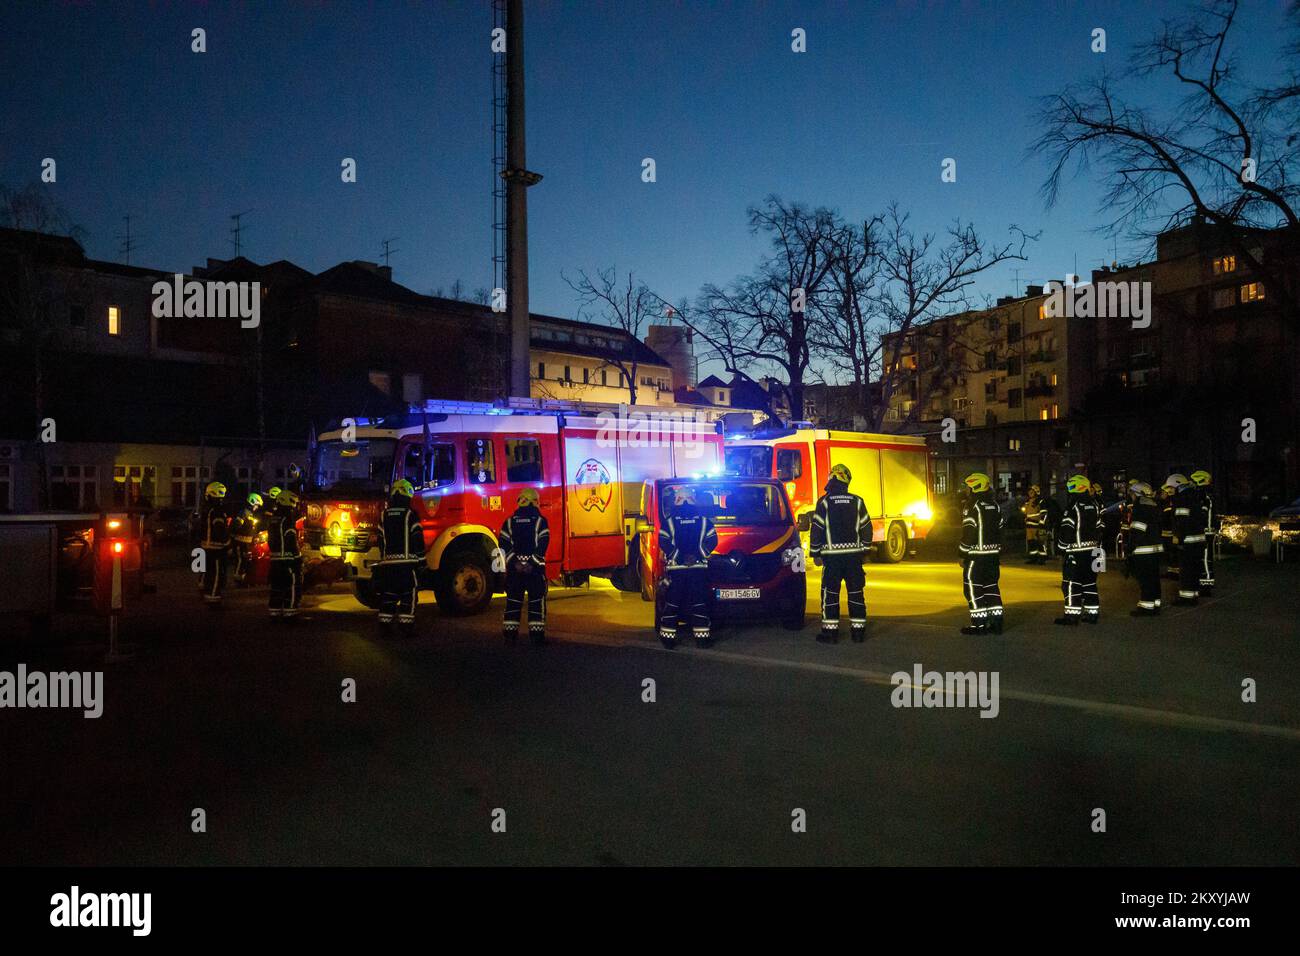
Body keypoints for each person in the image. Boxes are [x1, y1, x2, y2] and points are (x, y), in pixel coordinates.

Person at [809, 463, 873, 643]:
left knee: (830, 594)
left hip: (832, 559)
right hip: (854, 558)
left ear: (833, 479)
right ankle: (858, 633)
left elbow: (817, 530)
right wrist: (865, 550)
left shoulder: (824, 502)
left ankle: (830, 633)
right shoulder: (858, 501)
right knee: (856, 594)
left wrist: (816, 554)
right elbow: (867, 528)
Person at [657, 485, 717, 648]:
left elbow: (663, 541)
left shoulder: (668, 522)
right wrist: (697, 556)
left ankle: (668, 640)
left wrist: (680, 557)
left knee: (672, 604)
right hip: (697, 569)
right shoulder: (704, 521)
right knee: (699, 603)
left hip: (676, 571)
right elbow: (712, 541)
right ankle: (702, 639)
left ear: (676, 501)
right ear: (693, 501)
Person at [498, 487, 549, 644]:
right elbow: (543, 542)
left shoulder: (509, 522)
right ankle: (536, 636)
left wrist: (516, 563)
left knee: (513, 602)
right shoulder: (540, 521)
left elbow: (503, 544)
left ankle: (510, 635)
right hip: (534, 571)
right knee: (536, 602)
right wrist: (531, 563)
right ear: (535, 502)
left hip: (515, 571)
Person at [375, 478, 425, 632]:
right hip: (407, 566)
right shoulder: (411, 515)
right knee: (408, 596)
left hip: (388, 566)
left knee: (388, 596)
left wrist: (385, 558)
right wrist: (422, 563)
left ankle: (384, 626)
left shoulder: (384, 516)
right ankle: (406, 627)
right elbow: (418, 541)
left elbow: (380, 541)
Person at [1054, 474, 1103, 625]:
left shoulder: (1073, 506)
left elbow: (1067, 530)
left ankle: (1071, 616)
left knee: (1070, 584)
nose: (1069, 490)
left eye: (1071, 487)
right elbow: (1101, 528)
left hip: (1076, 552)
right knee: (1090, 583)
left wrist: (1060, 547)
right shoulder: (1095, 505)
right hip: (1095, 552)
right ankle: (1092, 613)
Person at [958, 472, 1003, 634]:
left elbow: (969, 532)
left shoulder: (972, 506)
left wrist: (962, 554)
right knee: (992, 588)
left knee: (972, 589)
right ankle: (997, 622)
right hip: (993, 557)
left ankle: (979, 624)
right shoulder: (995, 505)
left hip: (976, 557)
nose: (967, 491)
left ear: (975, 487)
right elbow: (1000, 528)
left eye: (968, 487)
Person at [1122, 480, 1165, 616]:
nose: (1131, 496)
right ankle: (1155, 604)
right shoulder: (1154, 505)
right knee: (1154, 578)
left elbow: (1137, 530)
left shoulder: (1139, 507)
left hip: (1143, 549)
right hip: (1156, 548)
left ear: (1138, 494)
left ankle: (1146, 607)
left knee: (1145, 579)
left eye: (1132, 493)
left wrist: (1130, 548)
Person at [1166, 473, 1206, 606]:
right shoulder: (1194, 496)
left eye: (1171, 488)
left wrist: (1178, 537)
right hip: (1198, 539)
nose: (1169, 491)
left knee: (1186, 570)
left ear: (1177, 485)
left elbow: (1181, 521)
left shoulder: (1182, 499)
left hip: (1188, 541)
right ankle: (1193, 595)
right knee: (1194, 569)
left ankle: (1186, 598)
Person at [267, 488, 303, 620]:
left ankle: (274, 612)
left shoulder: (273, 518)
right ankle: (290, 613)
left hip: (275, 560)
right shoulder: (287, 519)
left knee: (276, 587)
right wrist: (298, 558)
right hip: (288, 560)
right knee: (292, 586)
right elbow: (290, 539)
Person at [198, 481, 230, 605]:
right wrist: (227, 543)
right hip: (217, 549)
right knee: (216, 573)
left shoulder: (207, 509)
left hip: (206, 547)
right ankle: (213, 597)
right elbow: (220, 530)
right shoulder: (217, 511)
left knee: (207, 571)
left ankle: (206, 591)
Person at [1190, 469, 1216, 595]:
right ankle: (1204, 582)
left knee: (1205, 559)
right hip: (1208, 531)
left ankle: (1205, 586)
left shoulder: (1203, 495)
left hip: (1205, 532)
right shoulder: (1207, 494)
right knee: (1206, 558)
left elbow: (1201, 514)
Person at [230, 492, 263, 586]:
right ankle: (238, 579)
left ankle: (244, 579)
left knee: (245, 561)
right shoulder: (244, 513)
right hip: (240, 542)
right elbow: (237, 526)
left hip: (246, 542)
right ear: (252, 502)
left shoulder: (250, 514)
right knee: (240, 560)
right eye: (256, 505)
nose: (257, 508)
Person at [1023, 484, 1048, 564]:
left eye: (1032, 491)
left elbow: (1044, 513)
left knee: (1040, 542)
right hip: (1029, 526)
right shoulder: (1027, 502)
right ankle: (1033, 558)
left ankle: (1042, 558)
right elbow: (1026, 513)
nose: (1030, 492)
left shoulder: (1040, 501)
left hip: (1037, 525)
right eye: (1029, 491)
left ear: (1036, 492)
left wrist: (1041, 524)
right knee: (1031, 543)